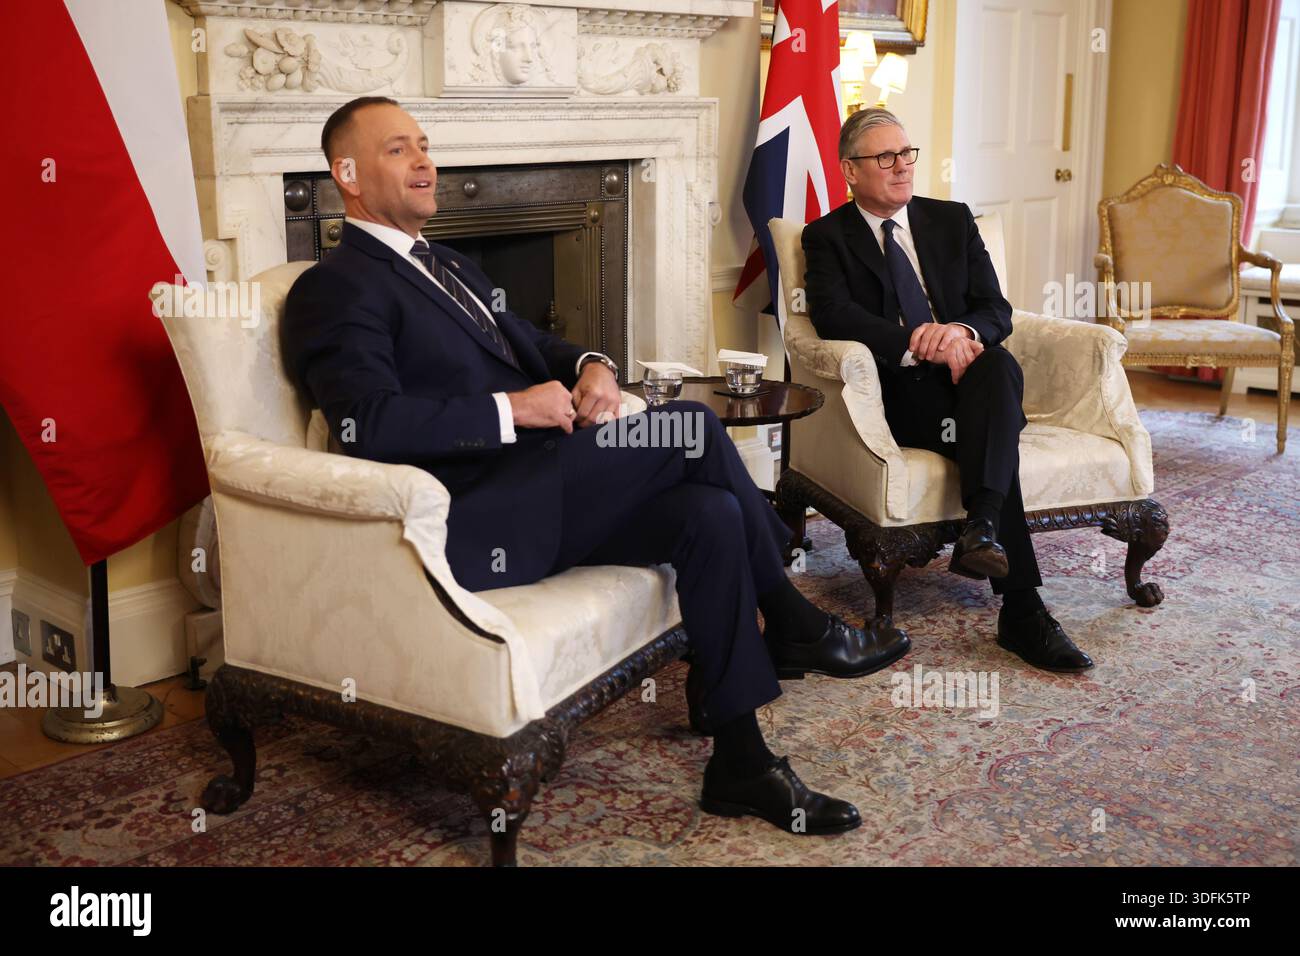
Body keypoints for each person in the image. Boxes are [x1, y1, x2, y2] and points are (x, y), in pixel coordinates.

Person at [282, 96, 912, 835]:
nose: (425, 162)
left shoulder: (446, 262)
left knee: (708, 515)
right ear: (346, 174)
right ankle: (796, 617)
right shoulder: (333, 287)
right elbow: (368, 425)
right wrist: (513, 410)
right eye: (398, 150)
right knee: (686, 426)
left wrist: (590, 366)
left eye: (425, 144)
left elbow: (526, 341)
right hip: (469, 518)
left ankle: (741, 762)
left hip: (542, 491)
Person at [800, 107, 1093, 673]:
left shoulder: (952, 220)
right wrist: (921, 340)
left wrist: (961, 333)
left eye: (907, 154)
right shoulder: (826, 237)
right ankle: (1022, 609)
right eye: (885, 158)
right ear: (849, 171)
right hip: (902, 395)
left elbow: (995, 310)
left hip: (971, 382)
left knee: (998, 366)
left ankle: (985, 528)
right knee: (994, 423)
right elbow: (835, 316)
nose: (902, 167)